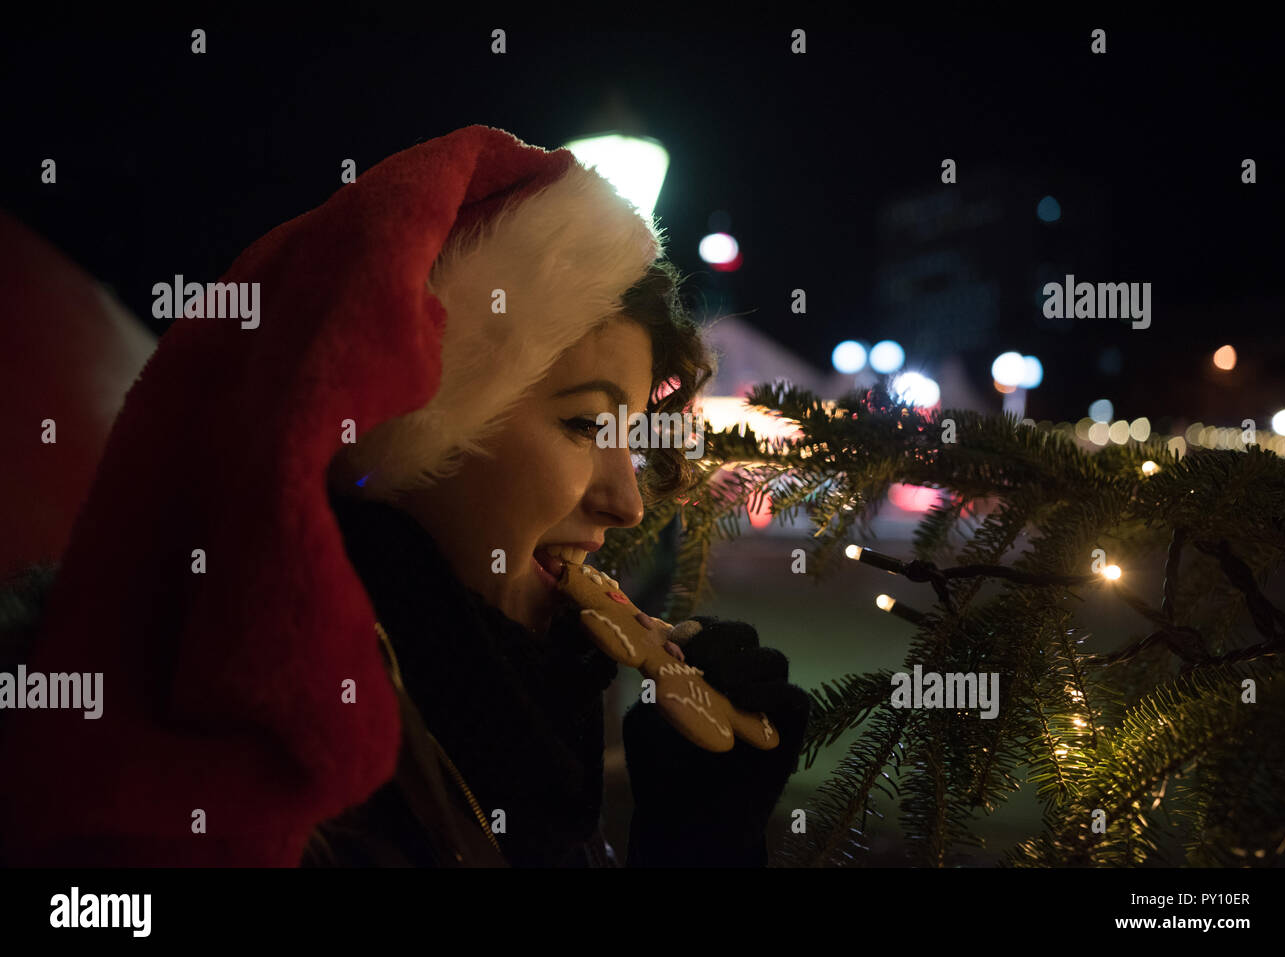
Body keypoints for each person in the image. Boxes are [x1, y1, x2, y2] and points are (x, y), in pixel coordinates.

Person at [0, 124, 809, 867]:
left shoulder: (514, 708)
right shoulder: (211, 793)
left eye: (630, 438)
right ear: (418, 425)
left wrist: (698, 839)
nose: (626, 502)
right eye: (585, 424)